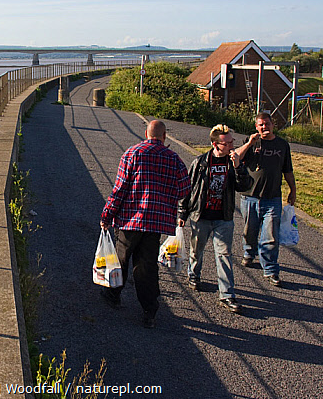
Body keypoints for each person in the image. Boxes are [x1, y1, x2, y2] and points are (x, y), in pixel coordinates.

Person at [100, 120, 191, 328]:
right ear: (164, 136)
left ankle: (113, 294)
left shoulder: (132, 153)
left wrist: (107, 215)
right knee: (147, 266)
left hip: (131, 219)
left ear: (146, 133)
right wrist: (166, 197)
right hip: (156, 222)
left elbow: (120, 189)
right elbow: (185, 189)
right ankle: (149, 309)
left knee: (121, 259)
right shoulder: (174, 159)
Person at [178, 124, 252, 313]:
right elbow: (188, 189)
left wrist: (238, 167)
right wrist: (182, 213)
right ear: (215, 144)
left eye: (232, 142)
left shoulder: (233, 163)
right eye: (227, 143)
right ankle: (194, 275)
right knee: (197, 251)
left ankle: (227, 294)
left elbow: (244, 186)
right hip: (201, 215)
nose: (231, 146)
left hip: (223, 217)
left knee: (224, 255)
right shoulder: (200, 162)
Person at [235, 112, 296, 287]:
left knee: (270, 236)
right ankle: (249, 253)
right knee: (250, 231)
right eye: (261, 125)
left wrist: (293, 190)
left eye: (267, 124)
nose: (264, 128)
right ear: (256, 127)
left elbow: (288, 170)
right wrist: (249, 143)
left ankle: (270, 270)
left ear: (272, 124)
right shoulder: (252, 143)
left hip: (272, 198)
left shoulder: (282, 145)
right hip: (250, 196)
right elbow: (236, 158)